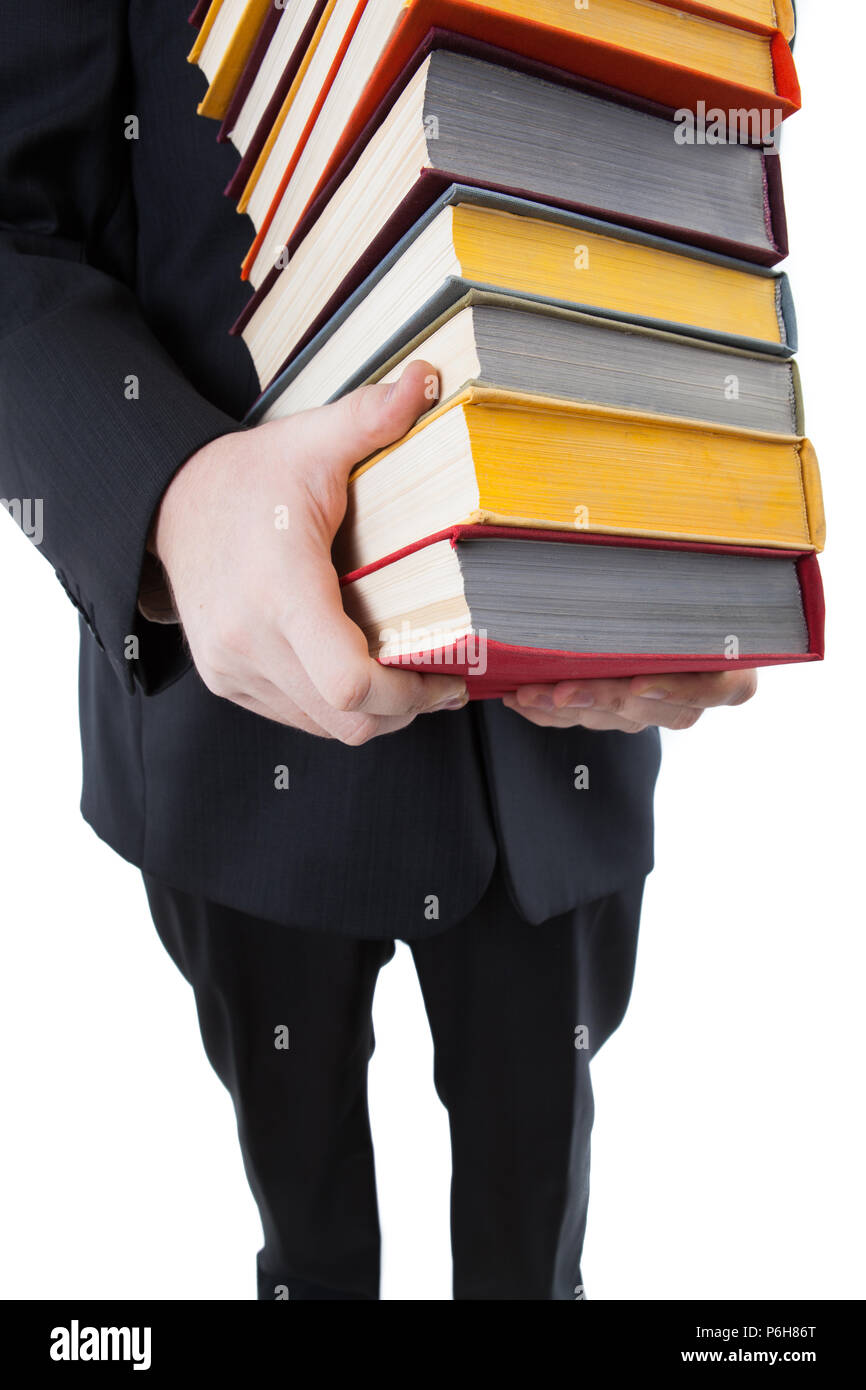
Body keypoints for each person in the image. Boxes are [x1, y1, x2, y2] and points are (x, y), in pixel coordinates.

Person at [0, 3, 756, 1300]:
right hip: (229, 727)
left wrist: (688, 508)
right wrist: (165, 500)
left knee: (536, 1227)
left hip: (565, 725)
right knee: (307, 1224)